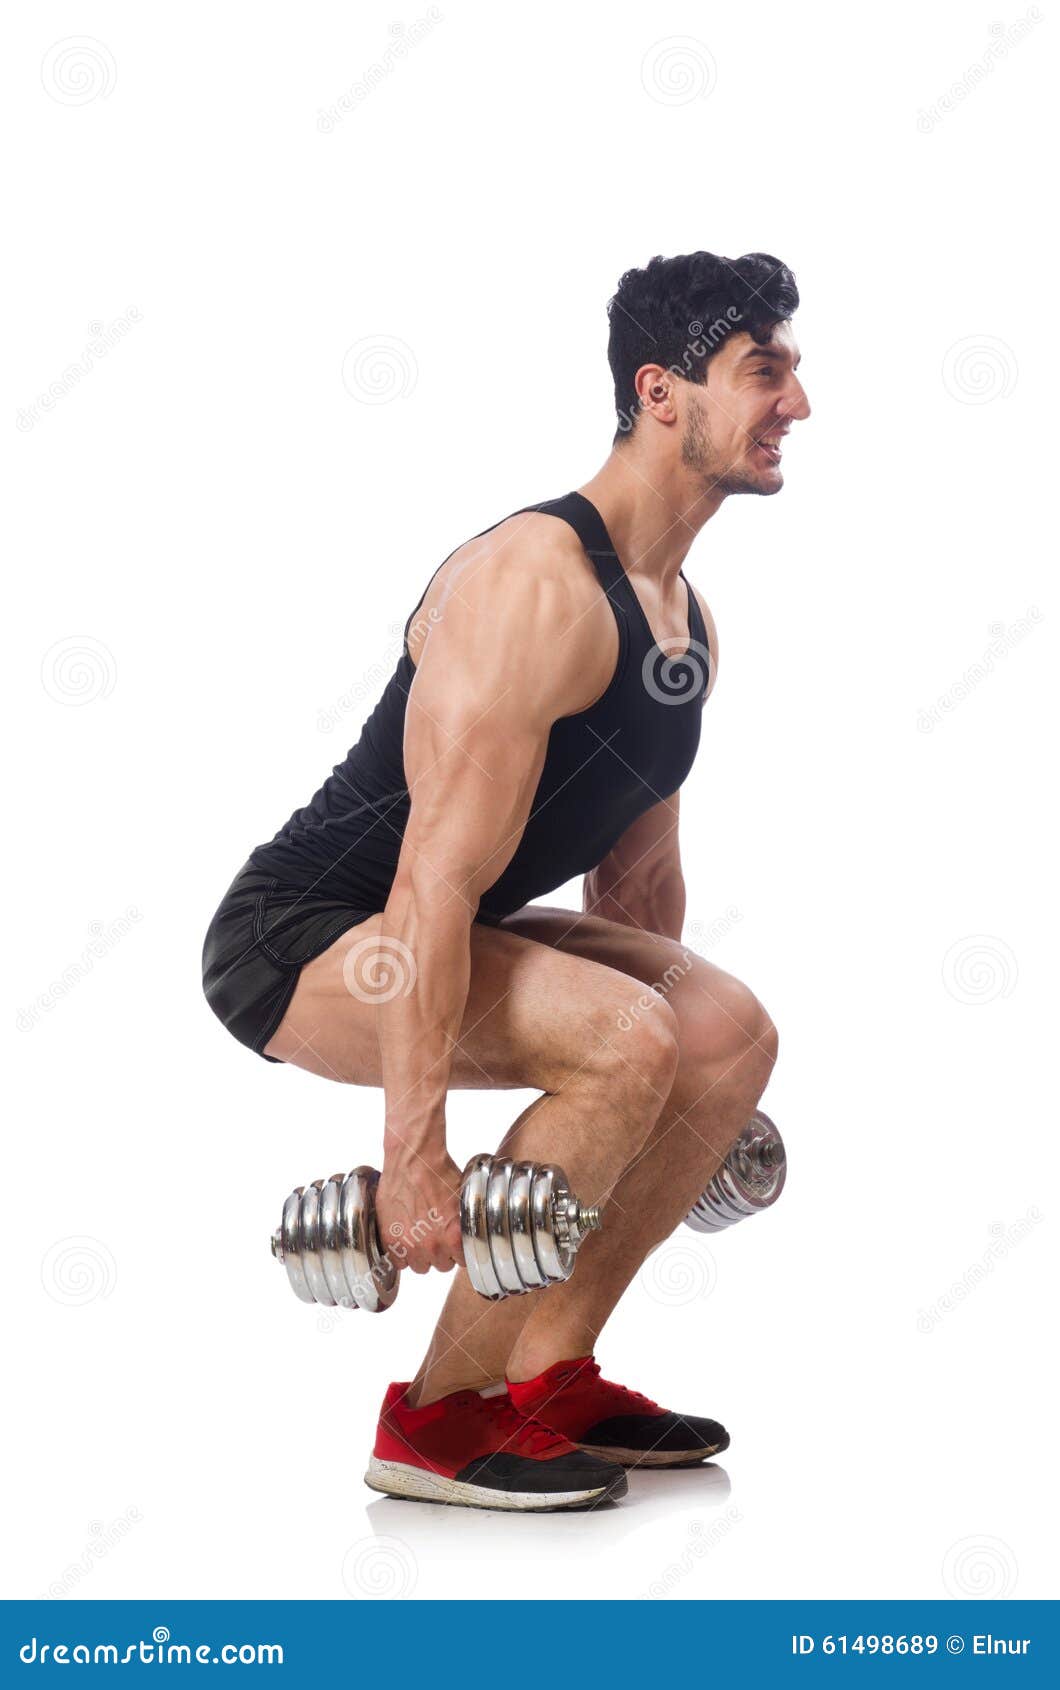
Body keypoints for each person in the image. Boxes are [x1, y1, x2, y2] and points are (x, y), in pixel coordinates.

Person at [202, 249, 810, 1511]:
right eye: (765, 372)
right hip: (309, 934)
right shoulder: (533, 585)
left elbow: (637, 894)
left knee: (723, 1028)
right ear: (660, 390)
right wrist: (413, 1158)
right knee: (632, 1044)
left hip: (440, 922)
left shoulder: (680, 619)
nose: (796, 404)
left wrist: (686, 1094)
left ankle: (545, 1371)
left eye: (792, 370)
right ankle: (434, 1419)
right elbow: (428, 883)